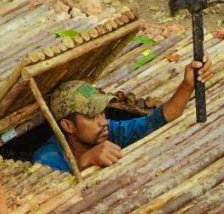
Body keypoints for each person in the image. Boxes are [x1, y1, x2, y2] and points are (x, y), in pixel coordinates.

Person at [33, 60, 213, 174]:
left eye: (102, 112)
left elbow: (158, 120)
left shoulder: (110, 130)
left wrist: (187, 85)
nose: (102, 122)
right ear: (68, 126)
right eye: (92, 117)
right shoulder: (47, 159)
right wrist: (83, 163)